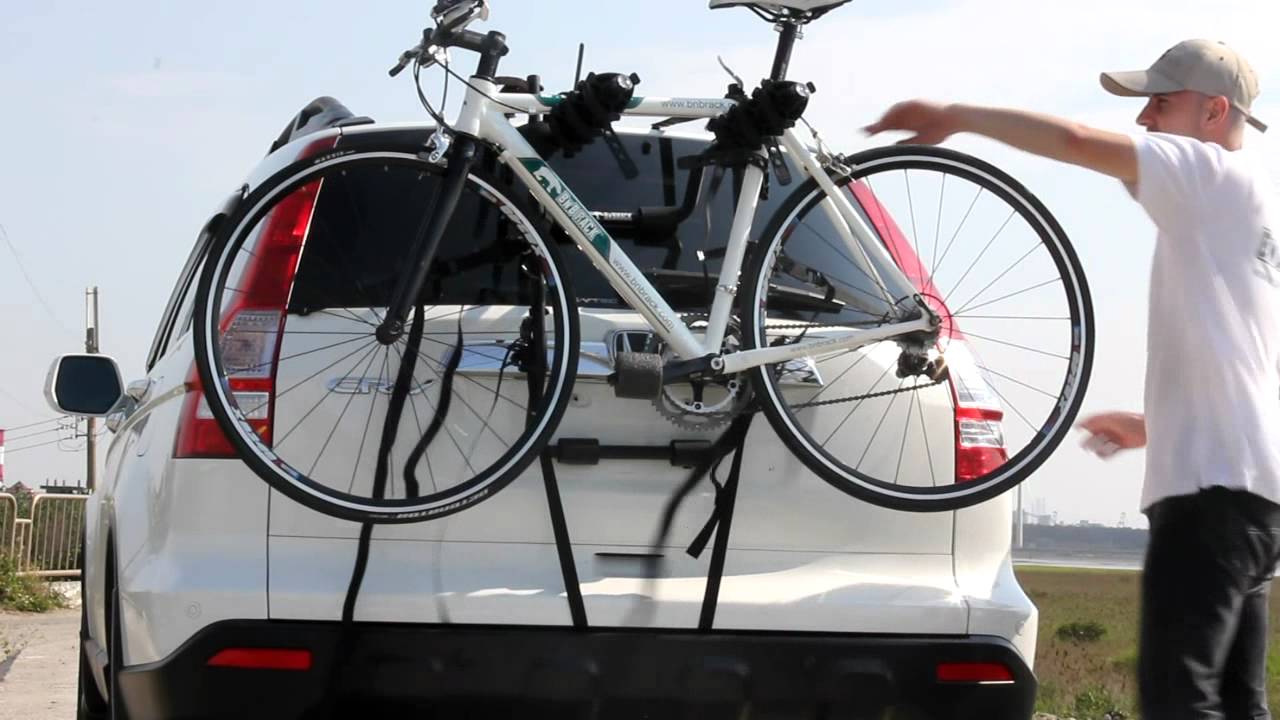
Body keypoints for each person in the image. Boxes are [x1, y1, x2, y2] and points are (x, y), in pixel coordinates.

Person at [865, 39, 1279, 720]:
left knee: (1180, 700)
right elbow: (1254, 365)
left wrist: (955, 115)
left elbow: (1079, 139)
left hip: (1210, 496)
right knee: (1238, 703)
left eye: (1160, 101)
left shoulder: (1209, 173)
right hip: (1256, 496)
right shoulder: (1254, 208)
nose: (1144, 119)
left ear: (1214, 112)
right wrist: (1155, 426)